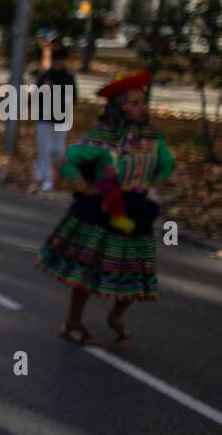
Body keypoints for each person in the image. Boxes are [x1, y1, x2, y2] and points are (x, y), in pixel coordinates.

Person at [37, 71, 173, 347]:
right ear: (117, 108)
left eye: (143, 101)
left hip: (137, 213)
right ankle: (72, 323)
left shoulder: (153, 139)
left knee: (135, 275)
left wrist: (154, 189)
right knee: (87, 276)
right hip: (102, 215)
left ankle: (116, 318)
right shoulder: (104, 139)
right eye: (134, 103)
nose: (142, 107)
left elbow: (166, 164)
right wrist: (83, 186)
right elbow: (68, 160)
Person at [34, 47, 77, 192]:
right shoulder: (46, 76)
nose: (58, 63)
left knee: (57, 150)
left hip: (61, 119)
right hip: (45, 118)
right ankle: (48, 178)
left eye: (61, 61)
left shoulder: (68, 78)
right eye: (56, 60)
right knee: (44, 149)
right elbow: (36, 97)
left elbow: (74, 98)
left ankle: (44, 169)